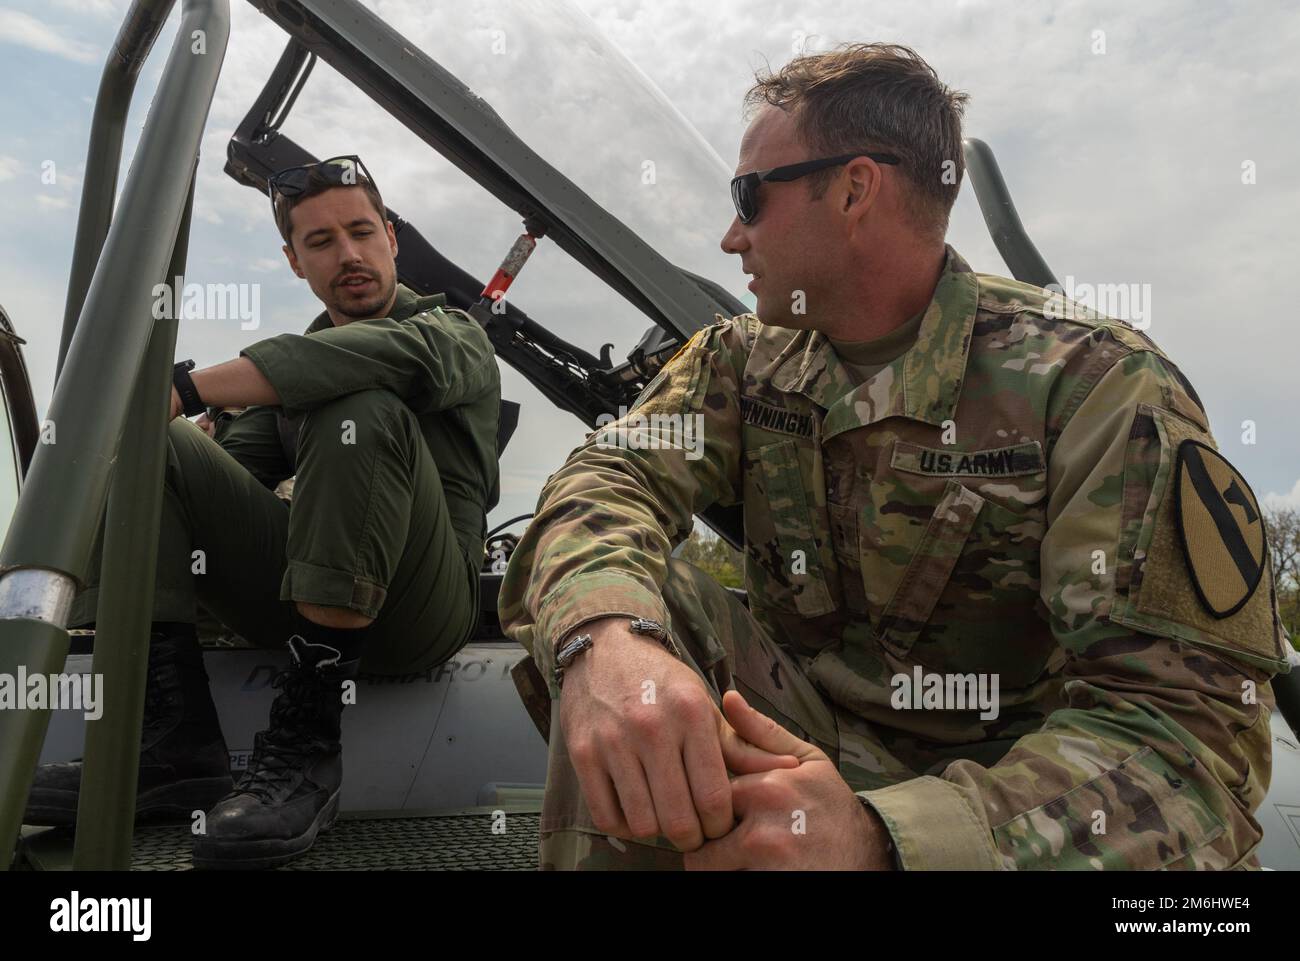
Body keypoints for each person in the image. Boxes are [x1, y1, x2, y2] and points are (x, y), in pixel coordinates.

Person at [498, 43, 1290, 870]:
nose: (731, 236)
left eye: (749, 197)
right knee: (629, 602)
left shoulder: (1097, 385)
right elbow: (606, 477)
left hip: (1010, 795)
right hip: (799, 733)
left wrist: (887, 841)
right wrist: (604, 638)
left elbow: (1190, 740)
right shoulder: (742, 360)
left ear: (853, 188)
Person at [26, 156, 502, 870]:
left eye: (361, 232)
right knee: (155, 445)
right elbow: (218, 484)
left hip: (422, 609)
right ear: (293, 261)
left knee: (359, 407)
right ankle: (168, 742)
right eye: (320, 242)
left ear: (392, 238)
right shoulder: (293, 371)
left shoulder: (455, 333)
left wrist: (183, 383)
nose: (348, 255)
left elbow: (378, 360)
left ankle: (306, 746)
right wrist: (156, 421)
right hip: (308, 592)